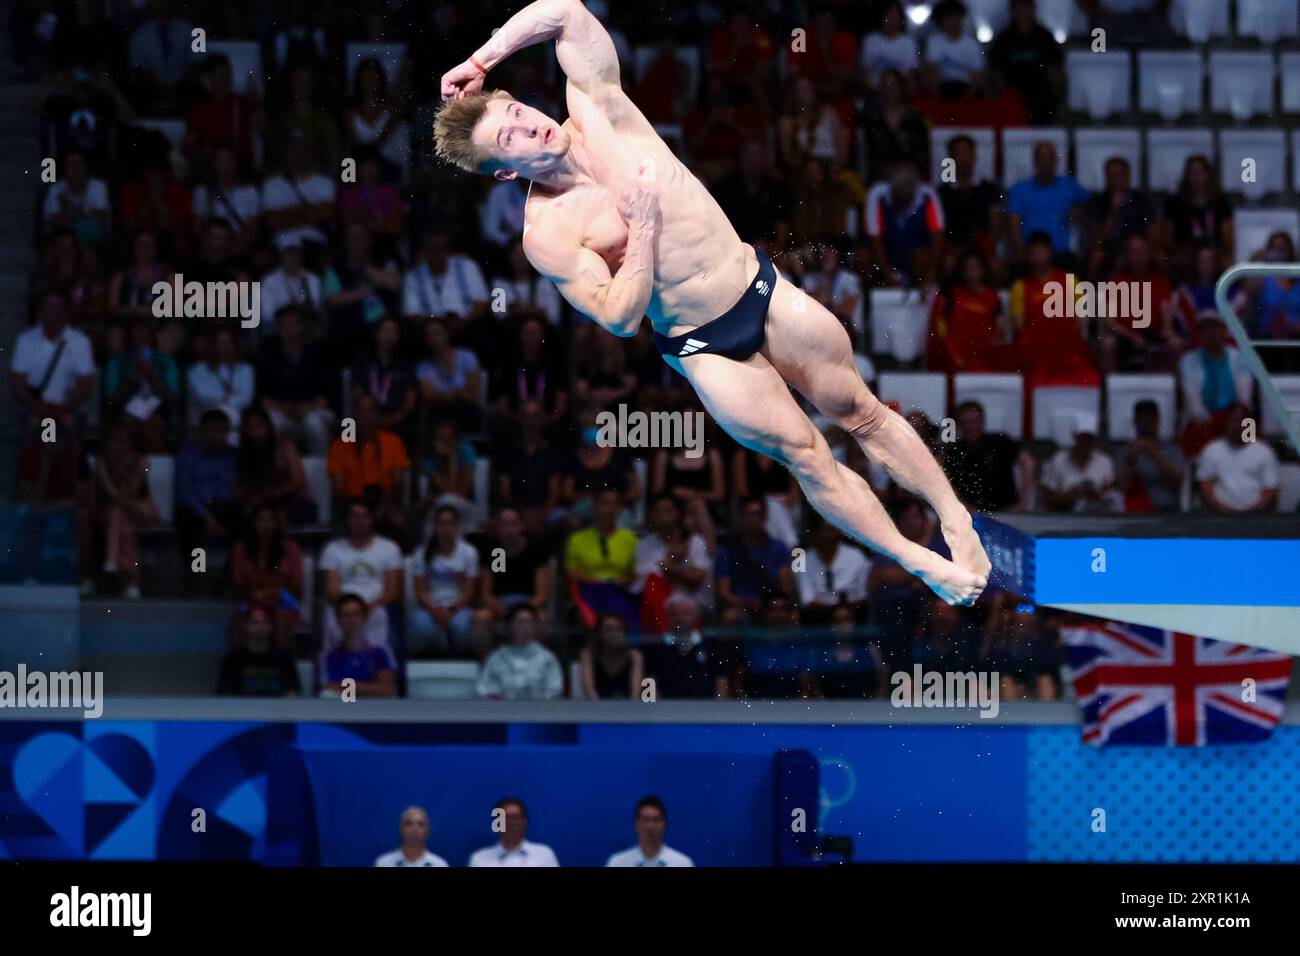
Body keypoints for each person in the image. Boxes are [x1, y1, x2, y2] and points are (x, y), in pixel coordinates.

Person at [437, 0, 989, 607]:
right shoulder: (547, 233)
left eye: (517, 111)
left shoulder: (597, 106)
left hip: (757, 286)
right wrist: (642, 230)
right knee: (809, 457)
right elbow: (619, 318)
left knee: (860, 409)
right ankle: (919, 562)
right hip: (702, 345)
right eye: (508, 137)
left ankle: (954, 517)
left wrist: (480, 59)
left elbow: (565, 11)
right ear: (505, 173)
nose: (526, 125)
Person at [11, 288, 96, 504]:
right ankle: (26, 491)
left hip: (67, 409)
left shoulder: (79, 341)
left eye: (59, 308)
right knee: (30, 434)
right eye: (50, 307)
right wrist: (37, 406)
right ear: (41, 311)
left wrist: (67, 405)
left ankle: (76, 491)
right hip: (37, 410)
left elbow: (86, 384)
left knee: (72, 437)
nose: (55, 313)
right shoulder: (26, 341)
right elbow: (18, 383)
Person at [319, 498, 404, 651]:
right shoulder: (333, 549)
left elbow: (392, 592)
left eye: (365, 516)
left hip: (377, 605)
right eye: (356, 517)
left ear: (372, 519)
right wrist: (352, 609)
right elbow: (331, 591)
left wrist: (367, 608)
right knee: (332, 619)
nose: (360, 521)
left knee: (380, 619)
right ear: (348, 520)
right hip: (343, 606)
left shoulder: (389, 548)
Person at [175, 409, 239, 593]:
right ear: (201, 432)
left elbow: (237, 488)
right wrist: (207, 517)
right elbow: (185, 491)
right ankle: (196, 574)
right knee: (188, 524)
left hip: (225, 507)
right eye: (211, 430)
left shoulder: (234, 456)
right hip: (196, 508)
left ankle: (227, 578)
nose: (216, 436)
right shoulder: (188, 455)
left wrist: (221, 509)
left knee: (243, 523)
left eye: (221, 431)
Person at [93, 426, 159, 599]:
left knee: (120, 516)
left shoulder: (143, 461)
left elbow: (132, 494)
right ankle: (132, 581)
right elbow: (111, 494)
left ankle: (112, 560)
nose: (121, 445)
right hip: (113, 511)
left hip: (142, 508)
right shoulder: (102, 462)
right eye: (116, 440)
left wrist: (126, 470)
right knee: (124, 524)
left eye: (125, 440)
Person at [231, 502, 305, 647]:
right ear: (253, 523)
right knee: (238, 624)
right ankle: (240, 667)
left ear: (277, 524)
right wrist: (260, 593)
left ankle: (280, 667)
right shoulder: (241, 549)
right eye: (261, 520)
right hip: (251, 602)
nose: (265, 525)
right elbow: (237, 588)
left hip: (283, 603)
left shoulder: (290, 549)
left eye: (270, 520)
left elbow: (297, 586)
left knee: (281, 622)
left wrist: (271, 593)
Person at [411, 505, 480, 656]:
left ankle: (463, 664)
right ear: (435, 526)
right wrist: (435, 610)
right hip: (431, 606)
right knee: (420, 626)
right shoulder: (421, 553)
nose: (446, 528)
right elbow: (421, 591)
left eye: (450, 523)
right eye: (442, 523)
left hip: (459, 606)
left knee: (462, 627)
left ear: (458, 526)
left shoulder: (469, 552)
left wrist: (451, 610)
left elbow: (469, 590)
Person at [1004, 142, 1088, 262]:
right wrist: (1021, 252)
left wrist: (1079, 210)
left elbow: (1089, 202)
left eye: (1050, 157)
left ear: (1056, 161)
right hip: (1030, 254)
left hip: (1061, 253)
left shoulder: (1068, 185)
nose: (1046, 162)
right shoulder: (1019, 189)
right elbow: (1014, 224)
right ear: (1035, 161)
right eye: (1042, 157)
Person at [1197, 404, 1280, 514]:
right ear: (1226, 423)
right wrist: (1222, 510)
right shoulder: (1212, 449)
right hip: (1219, 516)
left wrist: (1257, 510)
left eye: (1242, 420)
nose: (1237, 425)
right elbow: (1205, 482)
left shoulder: (1263, 451)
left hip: (1256, 516)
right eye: (1233, 420)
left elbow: (1271, 486)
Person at [476, 604, 564, 700]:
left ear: (536, 626)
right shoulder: (496, 657)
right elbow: (485, 689)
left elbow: (555, 693)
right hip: (502, 713)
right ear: (510, 625)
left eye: (530, 622)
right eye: (520, 622)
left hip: (539, 712)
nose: (525, 627)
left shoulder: (547, 658)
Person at [322, 594, 398, 698]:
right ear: (338, 620)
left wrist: (347, 687)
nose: (352, 620)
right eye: (346, 615)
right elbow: (330, 687)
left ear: (365, 618)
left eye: (356, 614)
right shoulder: (330, 656)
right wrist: (370, 687)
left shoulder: (380, 653)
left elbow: (387, 690)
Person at [796, 518, 870, 624]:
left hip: (853, 614)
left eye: (831, 530)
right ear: (815, 532)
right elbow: (807, 600)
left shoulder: (857, 556)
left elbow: (863, 595)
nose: (827, 536)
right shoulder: (802, 560)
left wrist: (844, 609)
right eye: (824, 530)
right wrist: (834, 610)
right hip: (818, 617)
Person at [217, 606, 301, 697]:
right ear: (247, 626)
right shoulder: (233, 659)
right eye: (255, 622)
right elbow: (224, 693)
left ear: (271, 626)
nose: (260, 627)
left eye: (265, 622)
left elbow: (292, 691)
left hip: (276, 709)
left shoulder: (284, 658)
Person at [1117, 400, 1185, 513]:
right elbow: (1120, 488)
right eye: (1142, 420)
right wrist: (1132, 457)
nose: (1146, 424)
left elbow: (1179, 479)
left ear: (1157, 420)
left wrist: (1156, 453)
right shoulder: (1124, 451)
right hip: (1134, 513)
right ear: (1135, 421)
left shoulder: (1172, 449)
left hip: (1168, 511)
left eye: (1150, 420)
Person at [1040, 418, 1120, 514]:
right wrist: (1069, 495)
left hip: (1097, 515)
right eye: (1082, 437)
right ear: (1074, 437)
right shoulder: (1057, 460)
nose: (1085, 441)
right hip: (1065, 516)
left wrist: (1097, 495)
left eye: (1089, 438)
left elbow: (1113, 494)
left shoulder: (1104, 461)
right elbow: (1047, 500)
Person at [468, 797, 560, 866]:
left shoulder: (544, 855)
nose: (510, 822)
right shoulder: (479, 859)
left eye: (515, 818)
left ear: (525, 822)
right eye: (505, 818)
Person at [606, 796, 694, 867]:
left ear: (665, 824)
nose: (650, 826)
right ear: (636, 824)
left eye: (656, 820)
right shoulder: (617, 863)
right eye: (645, 820)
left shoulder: (682, 863)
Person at [579, 612, 643, 699]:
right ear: (599, 633)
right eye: (608, 630)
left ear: (625, 632)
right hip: (596, 709)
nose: (614, 634)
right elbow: (590, 691)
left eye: (619, 629)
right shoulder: (588, 654)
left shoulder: (635, 656)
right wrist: (600, 710)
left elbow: (635, 696)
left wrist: (628, 711)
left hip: (628, 709)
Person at [374, 807, 450, 867]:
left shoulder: (439, 864)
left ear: (427, 831)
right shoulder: (384, 863)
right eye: (408, 824)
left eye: (420, 824)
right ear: (401, 829)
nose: (414, 829)